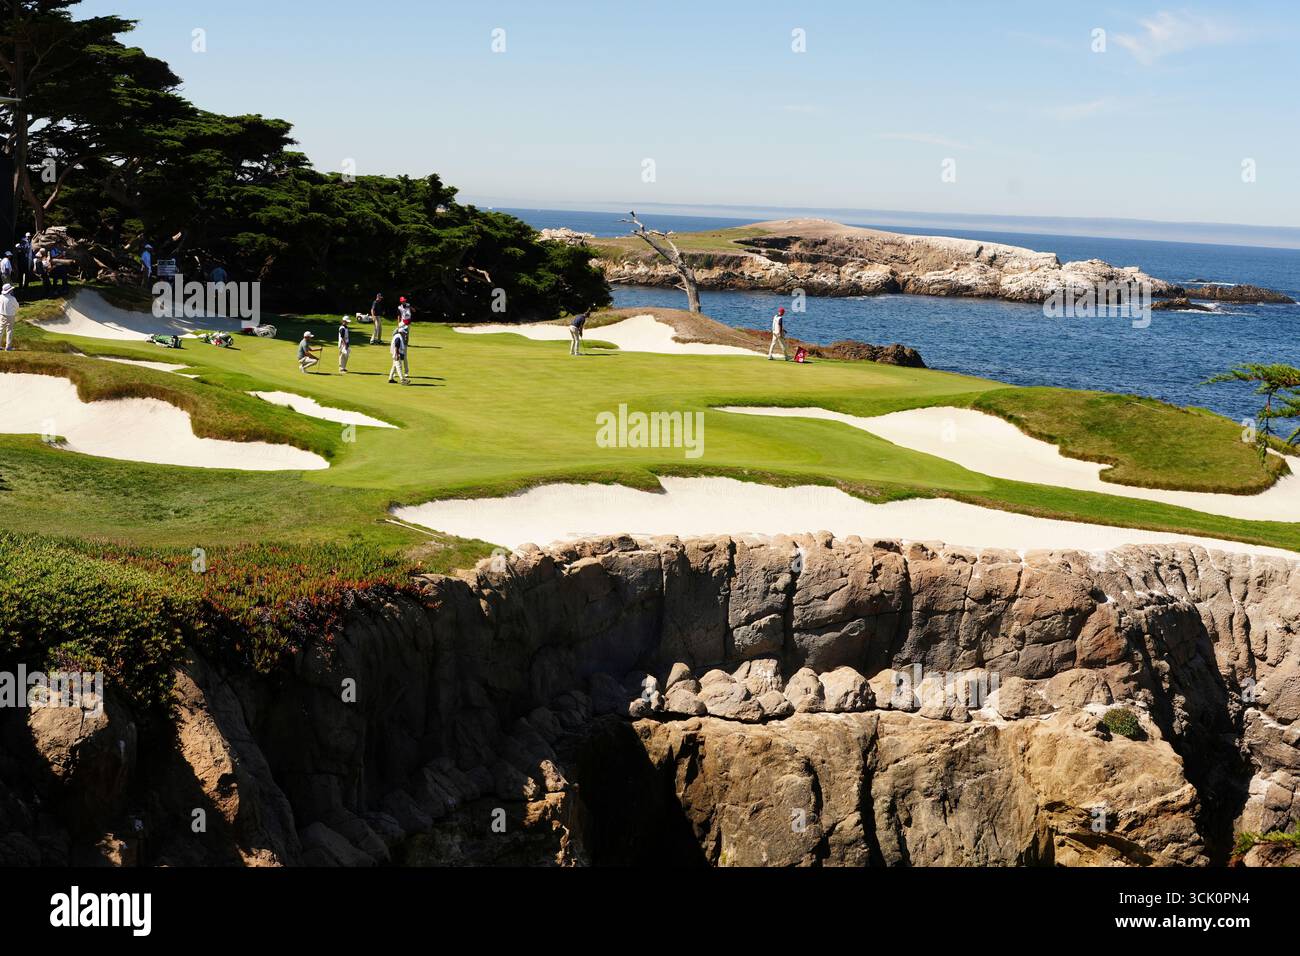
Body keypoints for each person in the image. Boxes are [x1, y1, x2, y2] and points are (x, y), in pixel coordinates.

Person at [0, 283, 17, 351]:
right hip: (10, 316)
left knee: (0, 330)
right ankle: (8, 347)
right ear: (9, 291)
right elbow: (17, 306)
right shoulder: (12, 298)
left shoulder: (0, 297)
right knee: (9, 331)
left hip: (2, 315)